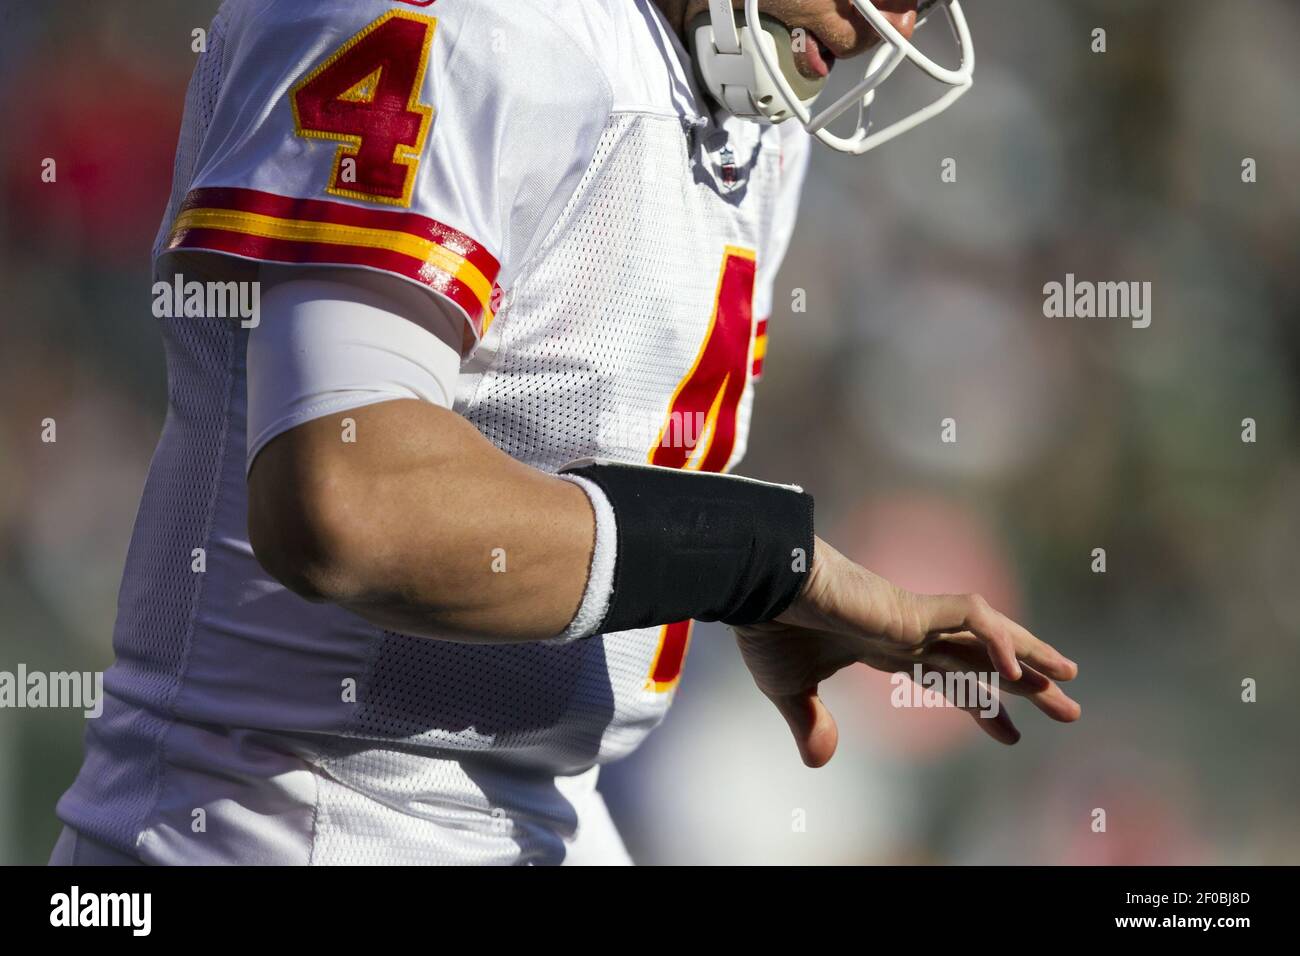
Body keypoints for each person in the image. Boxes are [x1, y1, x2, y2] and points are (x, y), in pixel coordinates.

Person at [51, 0, 1079, 866]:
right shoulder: (476, 24)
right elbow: (347, 502)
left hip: (540, 808)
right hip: (284, 816)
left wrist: (731, 571)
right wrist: (756, 559)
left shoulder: (738, 97)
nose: (890, 22)